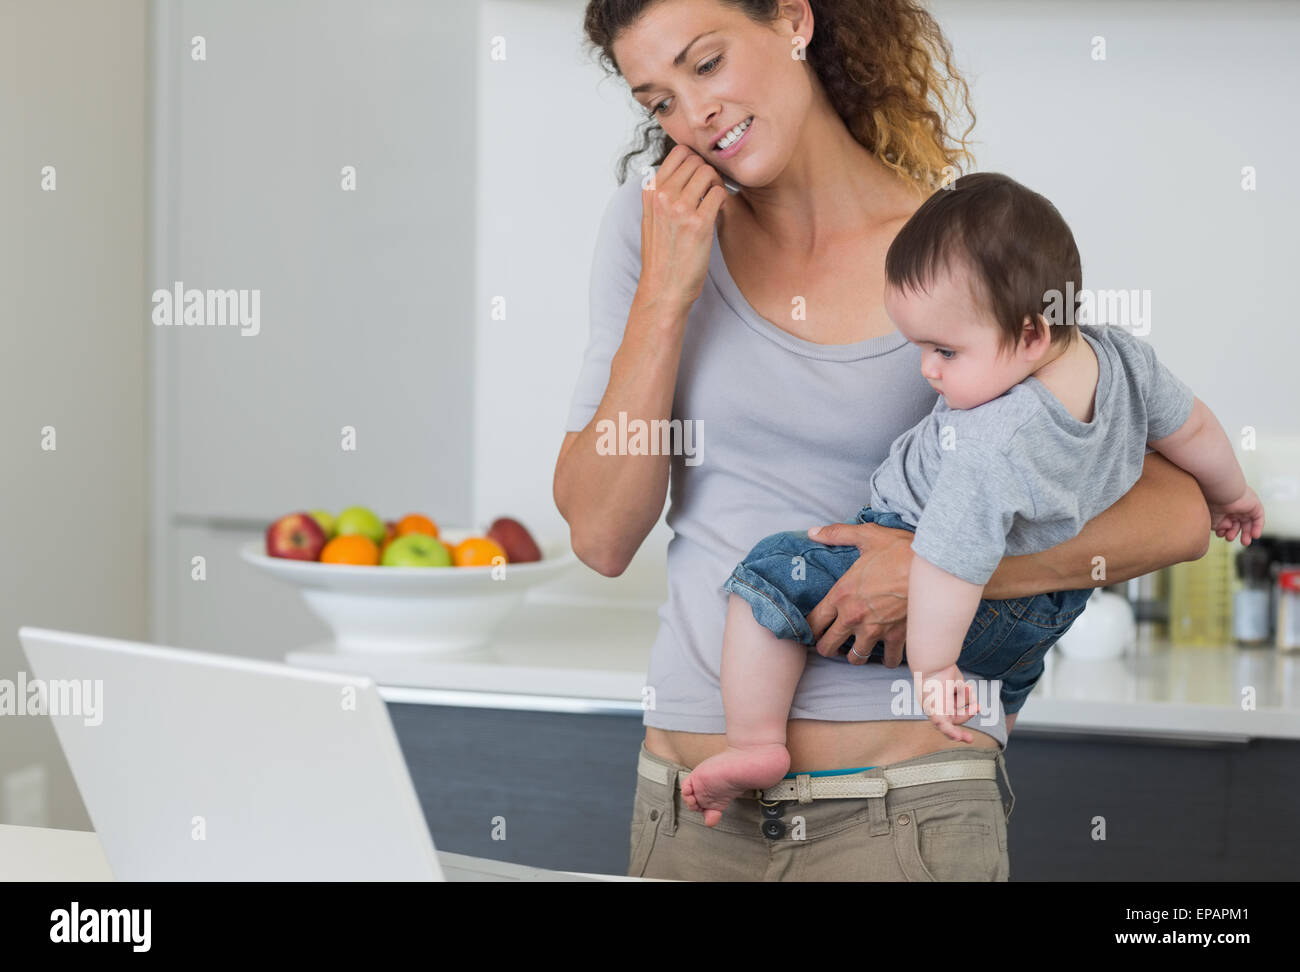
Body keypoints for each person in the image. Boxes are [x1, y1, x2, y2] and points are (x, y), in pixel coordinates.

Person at [556, 0, 1210, 881]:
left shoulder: (957, 255)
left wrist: (939, 569)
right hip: (688, 808)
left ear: (793, 20)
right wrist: (666, 294)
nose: (692, 116)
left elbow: (1177, 512)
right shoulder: (653, 240)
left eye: (705, 64)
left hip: (903, 812)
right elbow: (600, 536)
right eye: (658, 101)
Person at [679, 171, 1266, 826]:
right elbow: (1194, 429)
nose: (927, 369)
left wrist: (934, 669)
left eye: (944, 350)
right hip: (1049, 611)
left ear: (1031, 335)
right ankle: (995, 735)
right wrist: (1232, 494)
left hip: (952, 599)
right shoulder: (1125, 358)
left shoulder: (987, 441)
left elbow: (942, 563)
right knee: (1010, 676)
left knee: (768, 575)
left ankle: (756, 744)